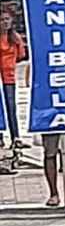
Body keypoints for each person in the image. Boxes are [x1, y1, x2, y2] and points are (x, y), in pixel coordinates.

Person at [0, 8, 26, 148]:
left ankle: (15, 137)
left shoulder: (15, 38)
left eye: (7, 19)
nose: (5, 22)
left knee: (11, 107)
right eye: (2, 19)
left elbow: (21, 56)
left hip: (9, 77)